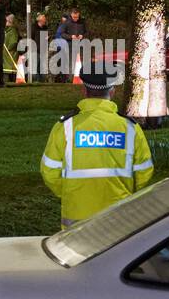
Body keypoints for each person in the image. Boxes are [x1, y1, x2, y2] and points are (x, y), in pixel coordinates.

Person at [40, 59, 153, 229]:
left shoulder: (66, 127)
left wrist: (70, 191)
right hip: (119, 218)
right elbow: (144, 172)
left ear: (84, 91)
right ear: (112, 91)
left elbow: (49, 171)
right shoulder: (130, 128)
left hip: (76, 217)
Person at [29, 11, 51, 83]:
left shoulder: (45, 28)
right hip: (35, 51)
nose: (45, 21)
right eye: (44, 20)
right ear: (40, 20)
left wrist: (48, 38)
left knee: (43, 68)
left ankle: (42, 81)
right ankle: (36, 81)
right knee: (35, 67)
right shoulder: (33, 27)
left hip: (43, 51)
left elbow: (46, 38)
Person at [3, 13, 21, 83]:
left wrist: (7, 48)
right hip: (5, 57)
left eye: (6, 21)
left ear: (10, 22)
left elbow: (13, 42)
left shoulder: (13, 31)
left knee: (9, 72)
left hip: (10, 56)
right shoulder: (6, 31)